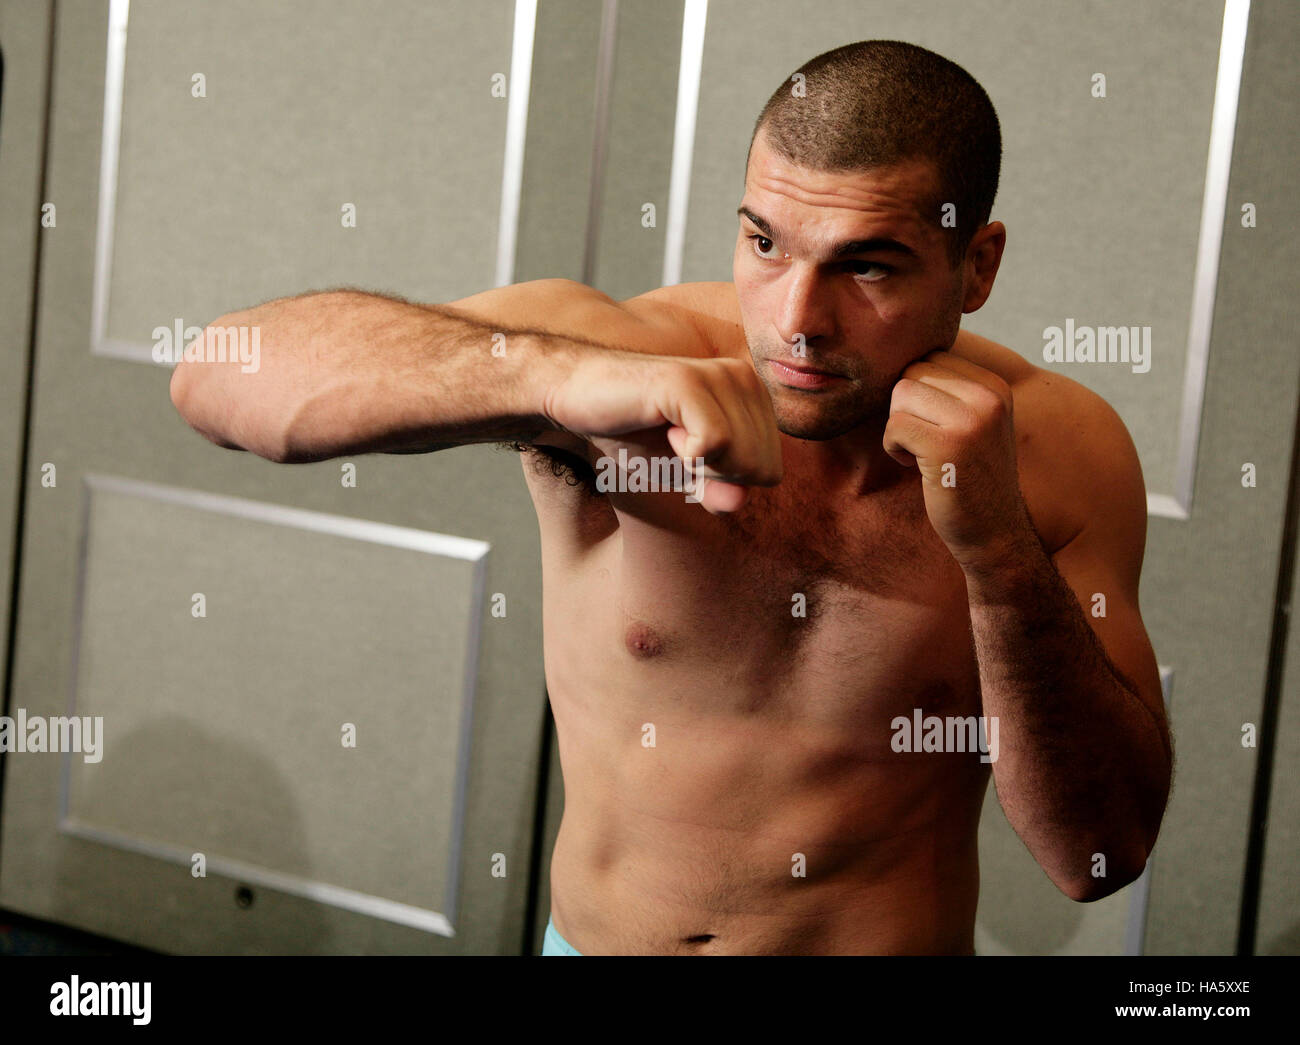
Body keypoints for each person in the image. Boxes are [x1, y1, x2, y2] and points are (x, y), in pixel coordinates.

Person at [170, 40, 1172, 955]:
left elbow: (1100, 853)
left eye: (865, 265)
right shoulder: (624, 359)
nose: (797, 320)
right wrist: (556, 382)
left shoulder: (1055, 449)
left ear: (975, 264)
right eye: (766, 244)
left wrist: (998, 555)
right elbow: (216, 375)